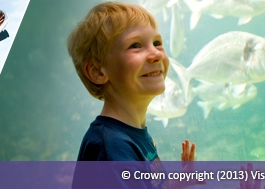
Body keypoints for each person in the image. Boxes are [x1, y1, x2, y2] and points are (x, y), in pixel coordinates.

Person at [67, 2, 205, 189]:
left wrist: (177, 183)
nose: (155, 53)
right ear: (97, 71)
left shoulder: (129, 135)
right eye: (135, 45)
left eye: (157, 43)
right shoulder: (112, 149)